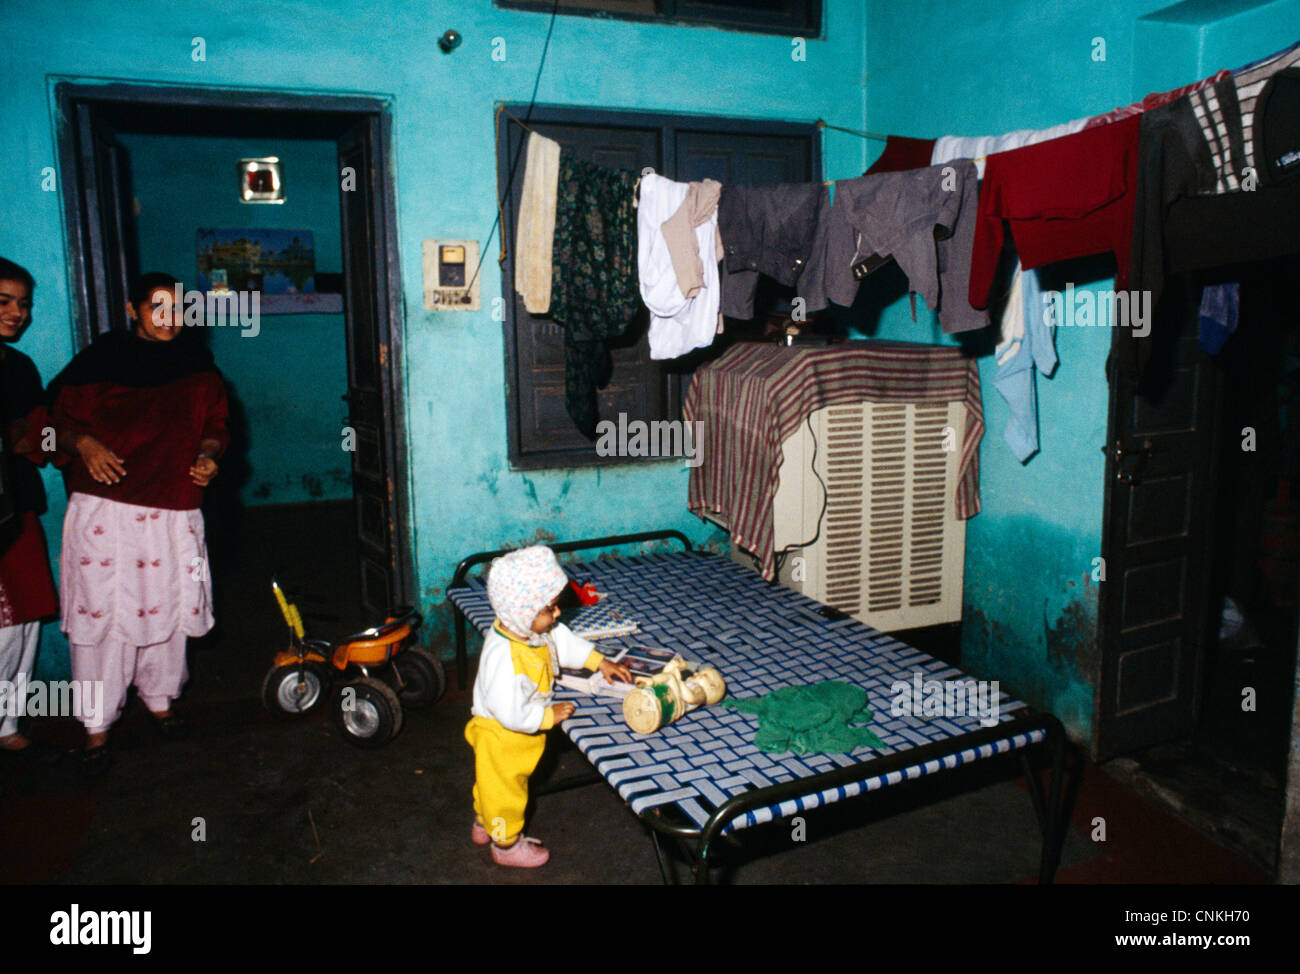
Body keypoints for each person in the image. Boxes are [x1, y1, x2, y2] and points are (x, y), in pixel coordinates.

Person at [48, 272, 229, 777]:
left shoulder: (201, 369)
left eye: (177, 308)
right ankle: (96, 726)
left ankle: (161, 700)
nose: (170, 318)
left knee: (170, 608)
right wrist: (82, 444)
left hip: (174, 510)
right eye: (157, 307)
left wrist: (209, 456)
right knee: (103, 615)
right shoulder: (100, 362)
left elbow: (216, 428)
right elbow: (50, 427)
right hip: (107, 510)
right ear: (132, 309)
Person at [464, 545, 631, 867]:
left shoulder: (531, 631)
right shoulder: (504, 657)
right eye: (550, 609)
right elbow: (509, 711)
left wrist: (599, 662)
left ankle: (484, 822)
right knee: (506, 792)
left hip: (517, 729)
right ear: (522, 611)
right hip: (501, 734)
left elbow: (564, 643)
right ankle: (506, 845)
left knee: (492, 784)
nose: (557, 615)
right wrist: (546, 715)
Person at [0, 258, 60, 765]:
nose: (18, 313)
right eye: (5, 301)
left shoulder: (18, 367)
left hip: (15, 507)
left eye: (24, 304)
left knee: (24, 621)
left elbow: (30, 438)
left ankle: (7, 720)